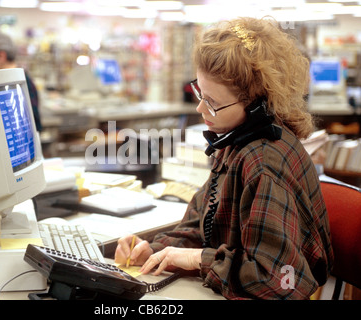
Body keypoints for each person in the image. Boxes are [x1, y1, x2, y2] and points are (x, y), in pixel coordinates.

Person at [115, 17, 334, 300]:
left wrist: (197, 259)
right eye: (200, 93)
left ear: (257, 103)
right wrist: (155, 249)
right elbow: (201, 225)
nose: (200, 107)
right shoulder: (235, 140)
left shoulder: (263, 163)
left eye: (213, 102)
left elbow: (275, 281)